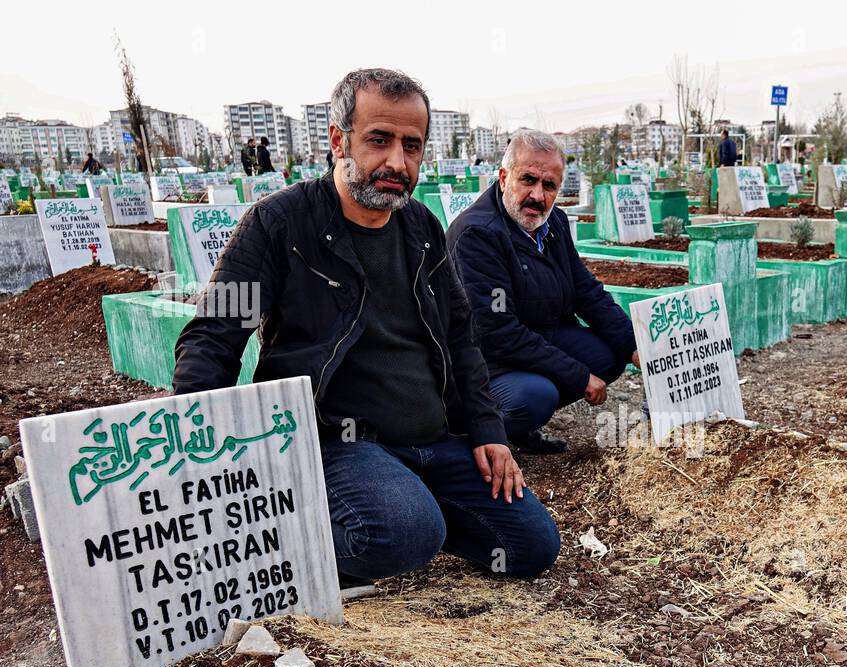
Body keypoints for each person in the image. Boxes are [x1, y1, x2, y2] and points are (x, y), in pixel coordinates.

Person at [172, 67, 559, 586]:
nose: (397, 163)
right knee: (404, 533)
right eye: (379, 140)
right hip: (337, 439)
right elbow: (215, 333)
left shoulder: (421, 226)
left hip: (434, 437)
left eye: (412, 145)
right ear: (339, 140)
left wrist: (489, 433)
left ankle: (406, 506)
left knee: (530, 547)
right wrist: (201, 457)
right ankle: (305, 532)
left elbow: (461, 337)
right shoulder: (280, 223)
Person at [447, 129, 639, 455]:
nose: (538, 195)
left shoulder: (554, 224)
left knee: (609, 356)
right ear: (504, 177)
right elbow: (497, 331)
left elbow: (585, 290)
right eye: (528, 180)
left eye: (549, 185)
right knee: (535, 397)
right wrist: (578, 377)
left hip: (535, 336)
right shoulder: (477, 234)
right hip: (482, 358)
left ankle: (518, 425)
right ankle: (471, 433)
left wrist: (635, 345)